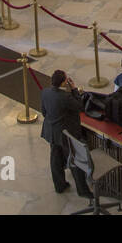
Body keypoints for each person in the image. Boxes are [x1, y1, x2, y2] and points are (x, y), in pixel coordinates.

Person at [40, 70, 91, 198]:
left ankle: (59, 185)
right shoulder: (65, 97)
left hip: (51, 131)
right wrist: (74, 90)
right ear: (63, 82)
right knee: (74, 159)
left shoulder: (45, 92)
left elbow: (44, 112)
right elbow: (79, 106)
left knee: (55, 158)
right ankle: (83, 190)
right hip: (65, 134)